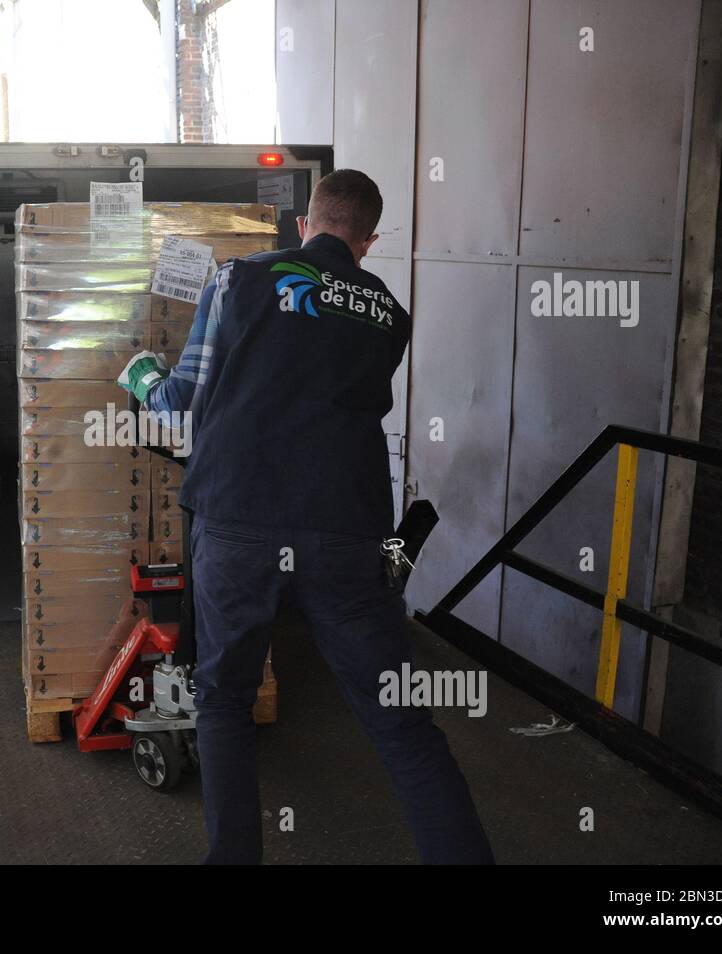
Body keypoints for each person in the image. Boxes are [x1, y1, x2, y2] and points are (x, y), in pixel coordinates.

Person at [117, 169, 494, 865]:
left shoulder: (238, 280)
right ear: (369, 241)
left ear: (304, 224)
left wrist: (140, 375)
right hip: (346, 533)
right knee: (402, 725)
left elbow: (180, 405)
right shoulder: (388, 313)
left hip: (236, 521)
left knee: (224, 700)